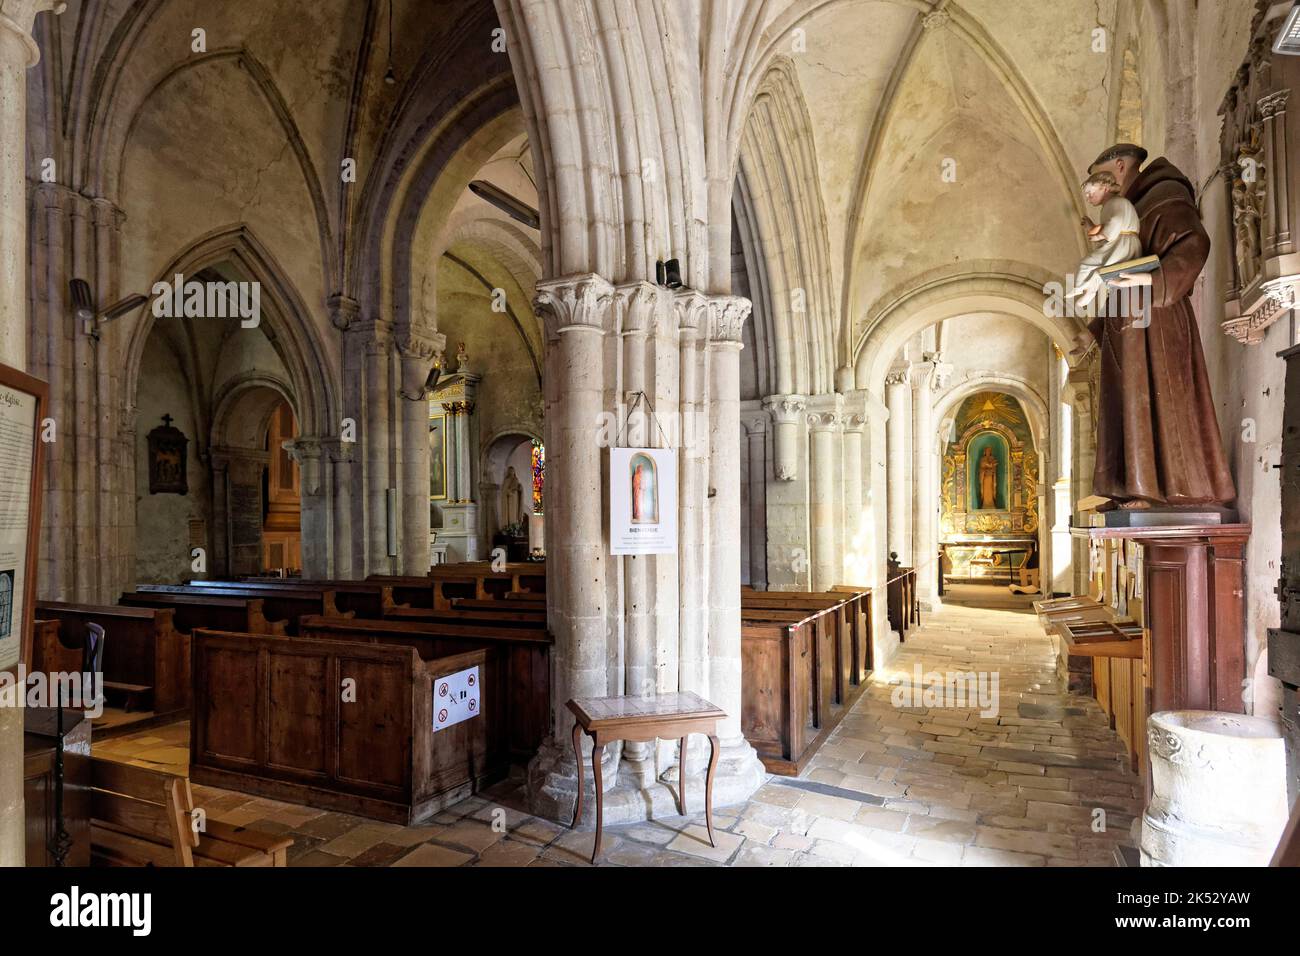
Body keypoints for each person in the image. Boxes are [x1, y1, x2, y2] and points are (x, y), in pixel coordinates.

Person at [1070, 144, 1235, 508]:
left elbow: (1194, 245)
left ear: (1119, 165)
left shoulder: (1163, 194)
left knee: (1156, 398)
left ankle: (1162, 490)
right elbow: (1120, 272)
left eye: (1101, 174)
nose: (1097, 188)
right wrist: (1093, 331)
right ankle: (1131, 486)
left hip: (1158, 321)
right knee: (1128, 399)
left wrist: (1153, 281)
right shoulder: (1131, 208)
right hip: (1127, 321)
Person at [1068, 170, 1143, 314]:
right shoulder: (1109, 206)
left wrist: (1100, 235)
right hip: (1117, 242)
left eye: (1090, 193)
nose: (1088, 198)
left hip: (1124, 244)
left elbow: (1116, 222)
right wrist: (1091, 227)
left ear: (1105, 188)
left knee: (1096, 269)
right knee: (1089, 265)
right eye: (1087, 195)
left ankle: (1086, 290)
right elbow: (1106, 227)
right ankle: (1082, 289)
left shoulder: (1117, 202)